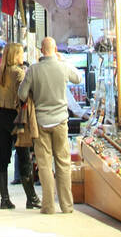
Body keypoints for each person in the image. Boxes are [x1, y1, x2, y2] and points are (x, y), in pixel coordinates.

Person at [18, 36, 80, 215]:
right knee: (63, 162)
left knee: (44, 164)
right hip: (61, 120)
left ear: (41, 51)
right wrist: (64, 60)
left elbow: (22, 94)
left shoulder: (33, 70)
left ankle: (48, 206)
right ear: (54, 50)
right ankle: (67, 206)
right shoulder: (63, 67)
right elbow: (77, 78)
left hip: (41, 121)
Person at [0, 41, 39, 209]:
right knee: (24, 156)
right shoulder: (19, 73)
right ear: (15, 55)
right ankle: (31, 198)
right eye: (20, 53)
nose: (22, 56)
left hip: (2, 117)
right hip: (18, 118)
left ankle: (4, 199)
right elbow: (24, 96)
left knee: (4, 157)